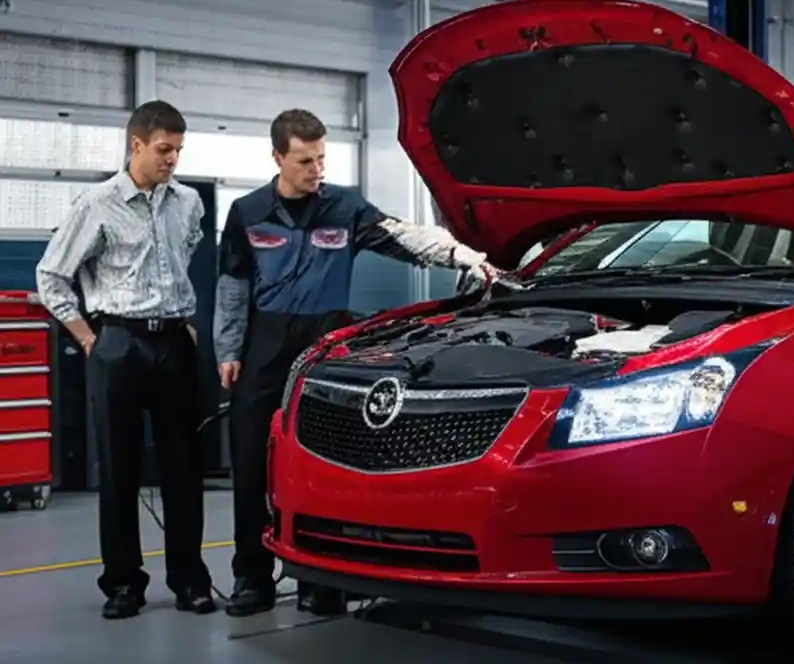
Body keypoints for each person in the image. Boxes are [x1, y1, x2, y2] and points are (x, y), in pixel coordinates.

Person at [214, 108, 505, 617]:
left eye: (321, 158)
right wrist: (227, 351)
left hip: (325, 349)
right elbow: (232, 288)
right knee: (250, 467)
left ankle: (321, 581)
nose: (316, 169)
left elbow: (406, 238)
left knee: (324, 468)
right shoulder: (247, 212)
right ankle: (251, 579)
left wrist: (465, 256)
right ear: (278, 157)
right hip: (263, 347)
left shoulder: (345, 208)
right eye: (304, 160)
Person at [36, 100, 216, 619]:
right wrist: (87, 335)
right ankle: (123, 585)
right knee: (119, 467)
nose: (173, 159)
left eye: (179, 150)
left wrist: (180, 318)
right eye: (164, 149)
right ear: (136, 145)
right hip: (116, 343)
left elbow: (188, 251)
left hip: (175, 343)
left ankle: (190, 580)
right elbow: (51, 276)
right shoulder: (96, 204)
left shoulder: (188, 203)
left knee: (184, 467)